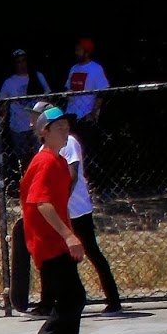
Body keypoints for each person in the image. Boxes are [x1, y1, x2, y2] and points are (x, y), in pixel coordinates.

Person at [20, 104, 92, 334]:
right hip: (48, 243)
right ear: (44, 132)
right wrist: (69, 235)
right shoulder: (45, 162)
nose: (65, 132)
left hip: (58, 242)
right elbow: (41, 203)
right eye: (59, 128)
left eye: (66, 127)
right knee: (71, 298)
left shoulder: (59, 161)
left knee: (72, 298)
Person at [61, 123, 122, 315]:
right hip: (61, 210)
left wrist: (62, 200)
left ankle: (113, 299)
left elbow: (72, 176)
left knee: (91, 251)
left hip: (77, 208)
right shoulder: (44, 147)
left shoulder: (69, 142)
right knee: (61, 256)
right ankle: (66, 300)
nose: (32, 122)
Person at [0, 49, 51, 171]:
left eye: (23, 61)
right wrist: (1, 122)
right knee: (23, 159)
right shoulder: (9, 82)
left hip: (37, 125)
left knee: (40, 155)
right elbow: (4, 104)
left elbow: (47, 96)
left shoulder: (37, 76)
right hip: (18, 127)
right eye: (18, 62)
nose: (22, 64)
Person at [64, 38, 108, 142]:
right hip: (71, 114)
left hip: (85, 115)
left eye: (79, 50)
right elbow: (68, 87)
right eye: (76, 50)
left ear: (87, 52)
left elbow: (102, 92)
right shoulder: (73, 68)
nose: (76, 53)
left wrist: (93, 114)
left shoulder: (96, 68)